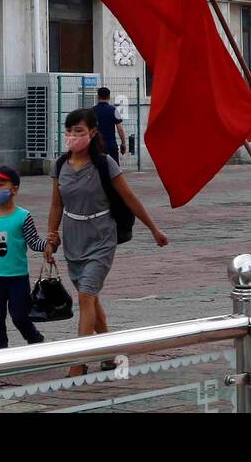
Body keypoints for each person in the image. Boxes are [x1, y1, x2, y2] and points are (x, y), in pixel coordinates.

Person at [45, 108, 167, 377]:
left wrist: (154, 229)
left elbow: (129, 197)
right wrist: (51, 238)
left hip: (102, 236)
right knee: (92, 298)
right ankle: (110, 353)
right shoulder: (60, 165)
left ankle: (79, 361)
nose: (74, 137)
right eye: (69, 131)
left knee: (86, 295)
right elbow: (56, 205)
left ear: (93, 133)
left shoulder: (104, 164)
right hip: (74, 237)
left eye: (79, 131)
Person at [0, 167, 48, 350]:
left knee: (19, 316)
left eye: (1, 184)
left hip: (18, 279)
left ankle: (35, 339)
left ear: (14, 189)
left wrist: (51, 244)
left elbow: (34, 243)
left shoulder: (23, 216)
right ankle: (0, 352)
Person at [92, 87, 128, 160]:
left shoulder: (92, 111)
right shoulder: (114, 110)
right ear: (109, 97)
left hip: (96, 145)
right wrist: (123, 143)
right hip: (110, 145)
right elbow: (120, 129)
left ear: (97, 97)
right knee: (114, 168)